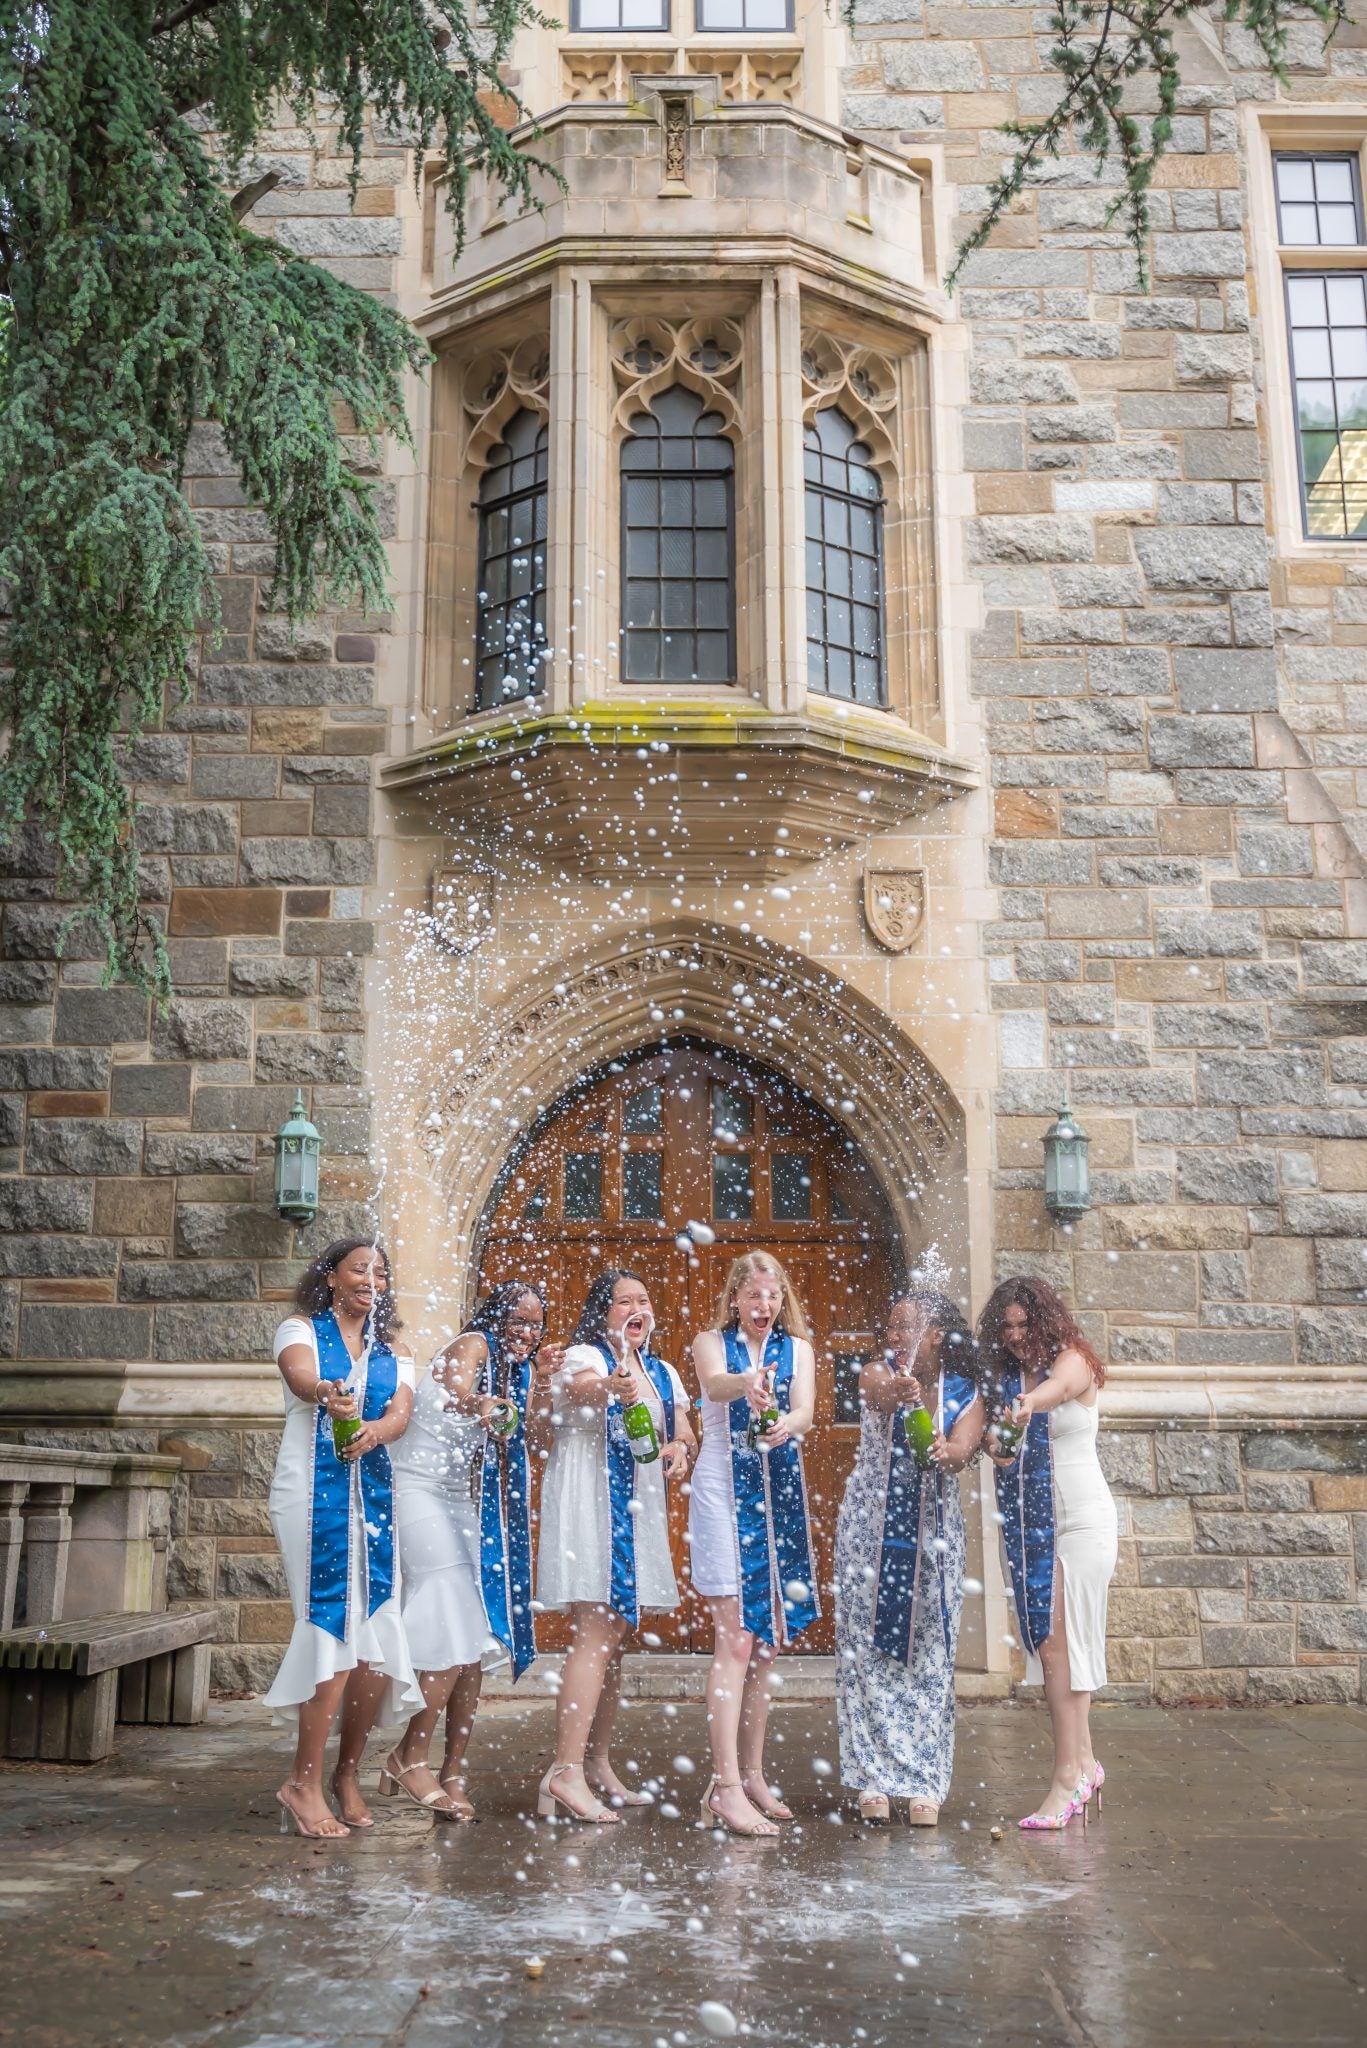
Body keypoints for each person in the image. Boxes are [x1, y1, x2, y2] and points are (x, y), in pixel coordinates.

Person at [265, 1237, 422, 1838]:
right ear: (331, 1277)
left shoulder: (394, 1350)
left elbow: (400, 1413)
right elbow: (302, 1377)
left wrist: (378, 1430)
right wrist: (327, 1394)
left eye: (379, 1271)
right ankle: (301, 1781)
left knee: (377, 1630)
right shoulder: (300, 1330)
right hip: (311, 1498)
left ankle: (345, 1773)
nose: (370, 1278)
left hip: (374, 1501)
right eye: (359, 1269)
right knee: (331, 1621)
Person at [386, 1281, 560, 1820]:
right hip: (414, 1487)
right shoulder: (474, 1345)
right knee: (448, 1607)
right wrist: (480, 1401)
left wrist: (546, 1387)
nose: (526, 1335)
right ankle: (408, 1756)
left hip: (459, 1497)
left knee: (476, 1629)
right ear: (496, 1318)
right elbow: (459, 1390)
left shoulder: (519, 1369)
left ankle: (452, 1768)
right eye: (518, 1323)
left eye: (536, 1326)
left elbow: (532, 1437)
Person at [536, 1269, 696, 1823]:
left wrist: (677, 1448)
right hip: (591, 1502)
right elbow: (580, 1390)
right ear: (603, 1313)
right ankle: (564, 1770)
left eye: (644, 1299)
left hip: (637, 1507)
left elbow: (683, 1431)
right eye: (624, 1301)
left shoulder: (662, 1369)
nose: (637, 1307)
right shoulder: (586, 1353)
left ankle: (596, 1763)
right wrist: (611, 1385)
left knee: (615, 1639)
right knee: (596, 1631)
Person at [835, 1287, 984, 1827]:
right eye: (891, 1326)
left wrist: (950, 1451)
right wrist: (904, 1392)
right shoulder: (879, 1373)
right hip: (868, 1532)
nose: (895, 1336)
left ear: (937, 1334)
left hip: (934, 1537)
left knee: (930, 1653)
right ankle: (873, 1775)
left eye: (906, 1326)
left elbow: (964, 1449)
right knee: (866, 1649)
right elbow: (878, 1393)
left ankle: (924, 1778)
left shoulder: (964, 1390)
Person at [979, 1275, 1118, 1832]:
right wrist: (998, 1445)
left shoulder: (1073, 1360)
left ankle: (1067, 1779)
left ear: (1045, 1321)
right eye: (1007, 1327)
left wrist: (1027, 1404)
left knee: (1063, 1646)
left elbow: (1056, 1392)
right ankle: (1085, 1763)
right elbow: (1004, 1448)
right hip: (1033, 1524)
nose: (1016, 1336)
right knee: (1051, 1643)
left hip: (1081, 1522)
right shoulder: (1008, 1378)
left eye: (1024, 1324)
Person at [689, 1251, 819, 1838]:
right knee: (736, 1639)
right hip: (722, 1496)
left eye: (773, 1297)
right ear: (736, 1298)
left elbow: (807, 1412)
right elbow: (714, 1387)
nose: (764, 1306)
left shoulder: (799, 1350)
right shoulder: (710, 1342)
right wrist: (746, 1384)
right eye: (754, 1296)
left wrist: (785, 1425)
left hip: (778, 1499)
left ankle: (753, 1772)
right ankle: (725, 1787)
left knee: (766, 1645)